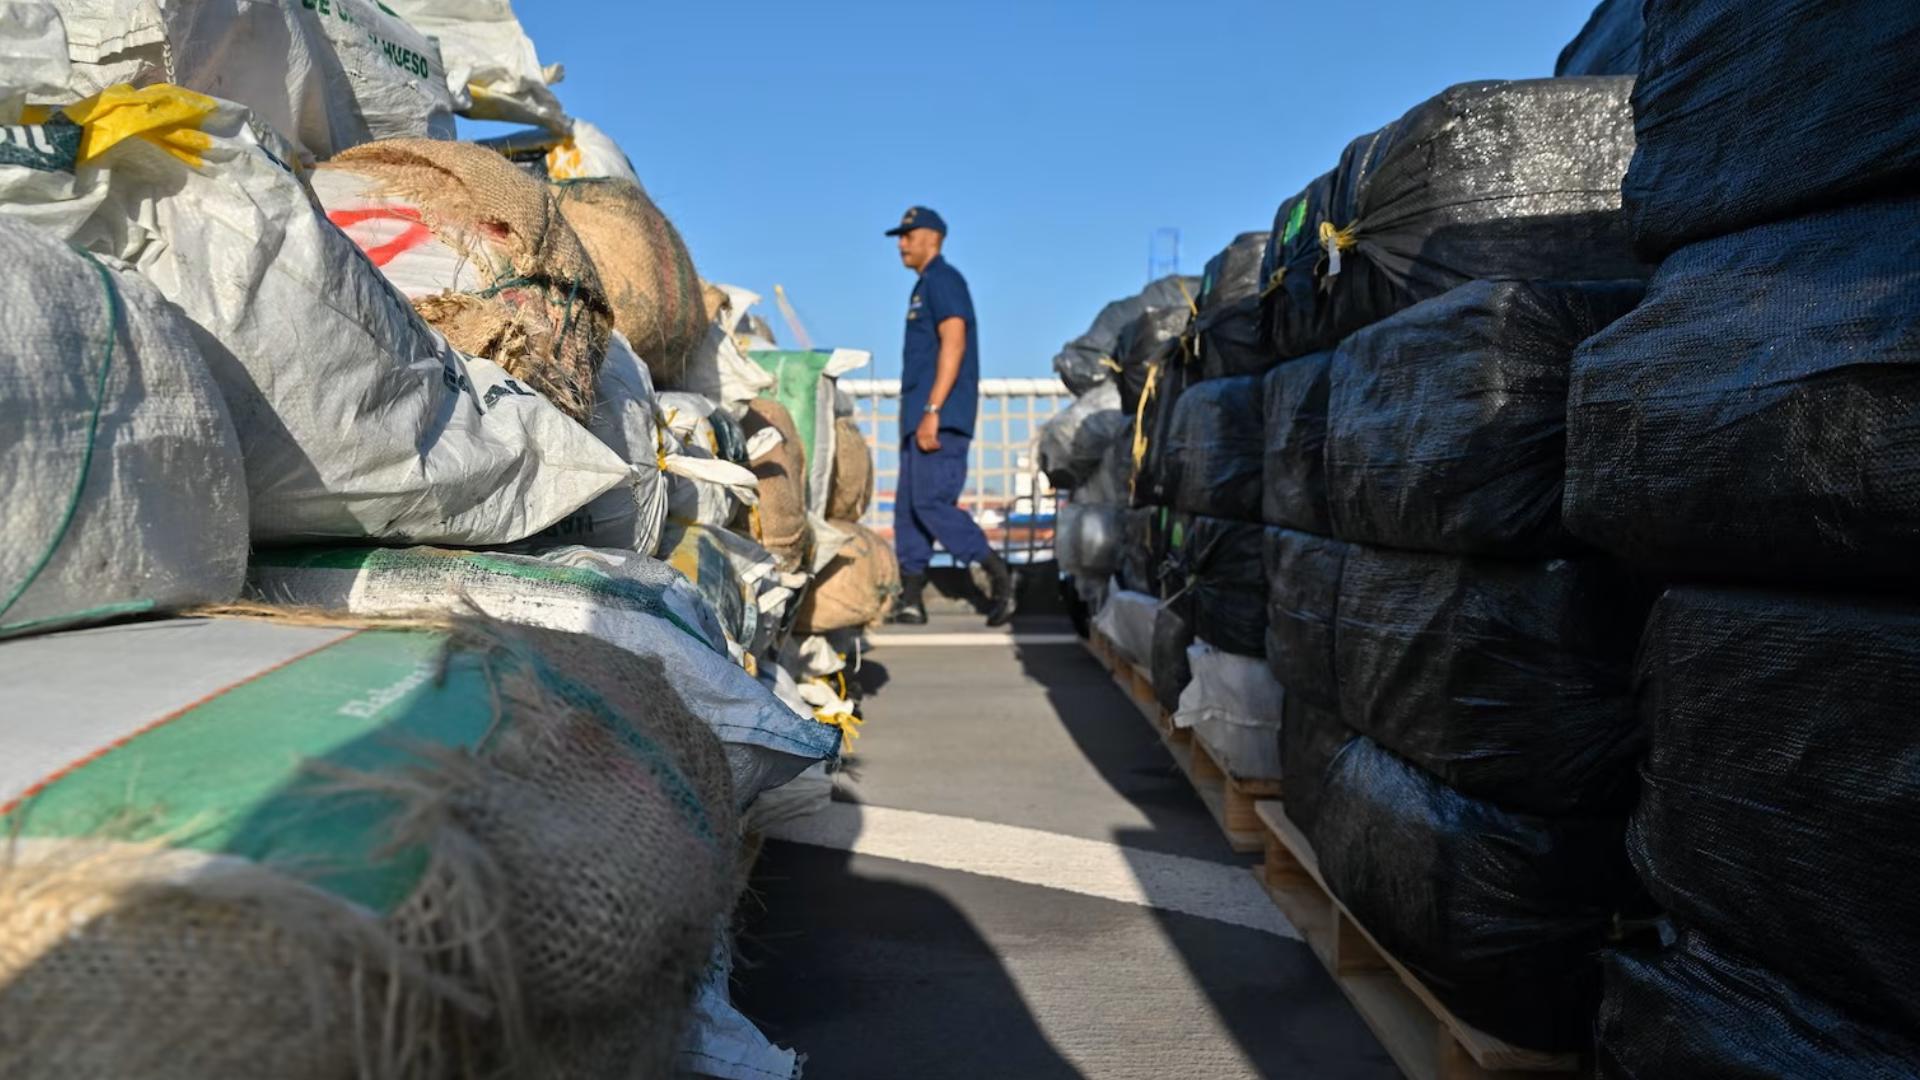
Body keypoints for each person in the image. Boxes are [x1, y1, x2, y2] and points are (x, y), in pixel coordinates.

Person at [884, 206, 1015, 627]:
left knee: (930, 501)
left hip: (939, 416)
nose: (901, 244)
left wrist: (933, 410)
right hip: (920, 416)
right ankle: (911, 599)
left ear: (933, 238)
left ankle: (999, 574)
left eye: (908, 235)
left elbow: (954, 343)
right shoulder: (923, 285)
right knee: (908, 508)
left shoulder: (944, 280)